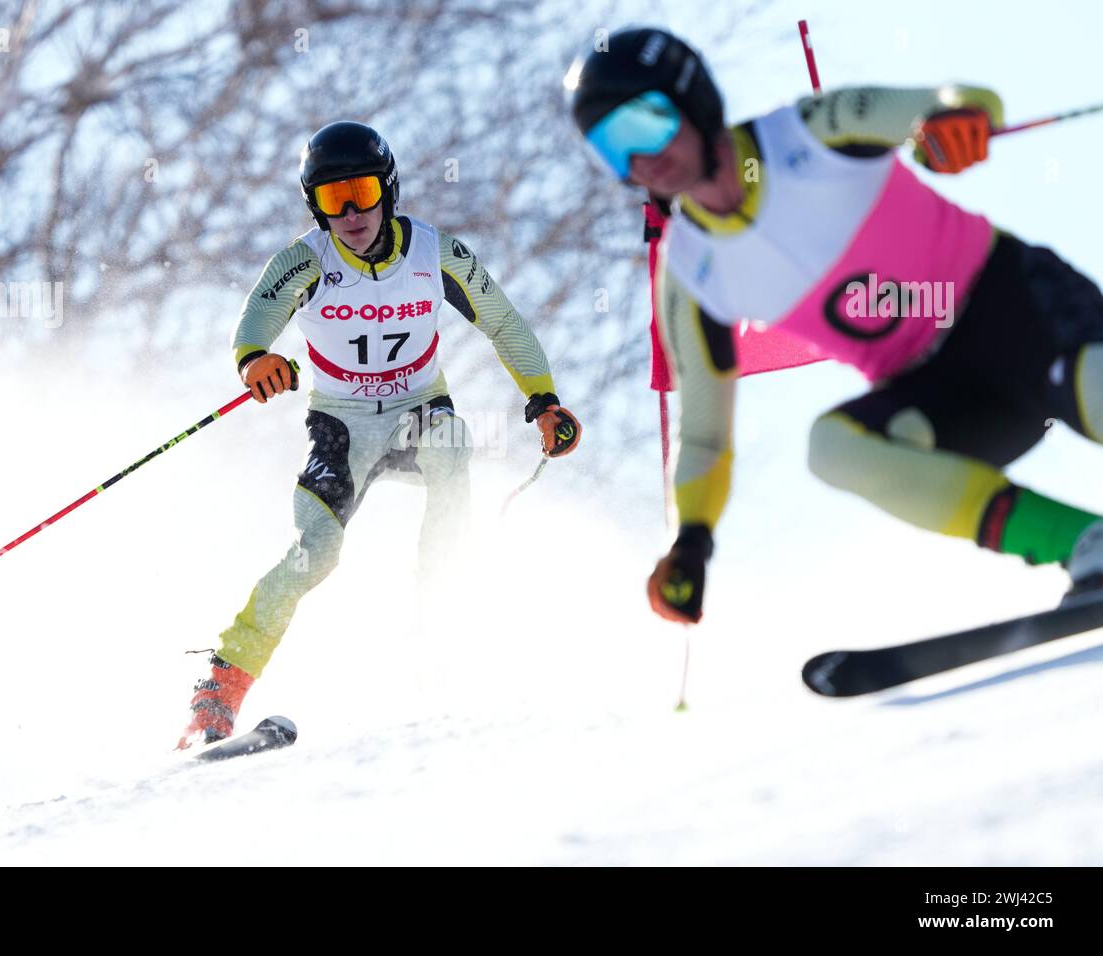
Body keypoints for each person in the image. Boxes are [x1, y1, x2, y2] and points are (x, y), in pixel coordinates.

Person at [566, 26, 1103, 626]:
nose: (641, 158)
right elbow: (705, 434)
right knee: (833, 449)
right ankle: (1086, 546)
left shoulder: (810, 130)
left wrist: (954, 123)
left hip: (1020, 309)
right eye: (612, 147)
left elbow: (951, 98)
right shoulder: (691, 275)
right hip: (949, 397)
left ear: (692, 99)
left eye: (645, 123)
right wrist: (691, 542)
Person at [177, 121, 581, 748]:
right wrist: (256, 360)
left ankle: (436, 636)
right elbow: (253, 323)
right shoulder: (304, 261)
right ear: (317, 206)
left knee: (450, 450)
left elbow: (503, 321)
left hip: (419, 404)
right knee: (316, 551)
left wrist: (544, 401)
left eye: (362, 192)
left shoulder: (434, 252)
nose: (352, 212)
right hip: (342, 421)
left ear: (387, 189)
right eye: (333, 200)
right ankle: (220, 690)